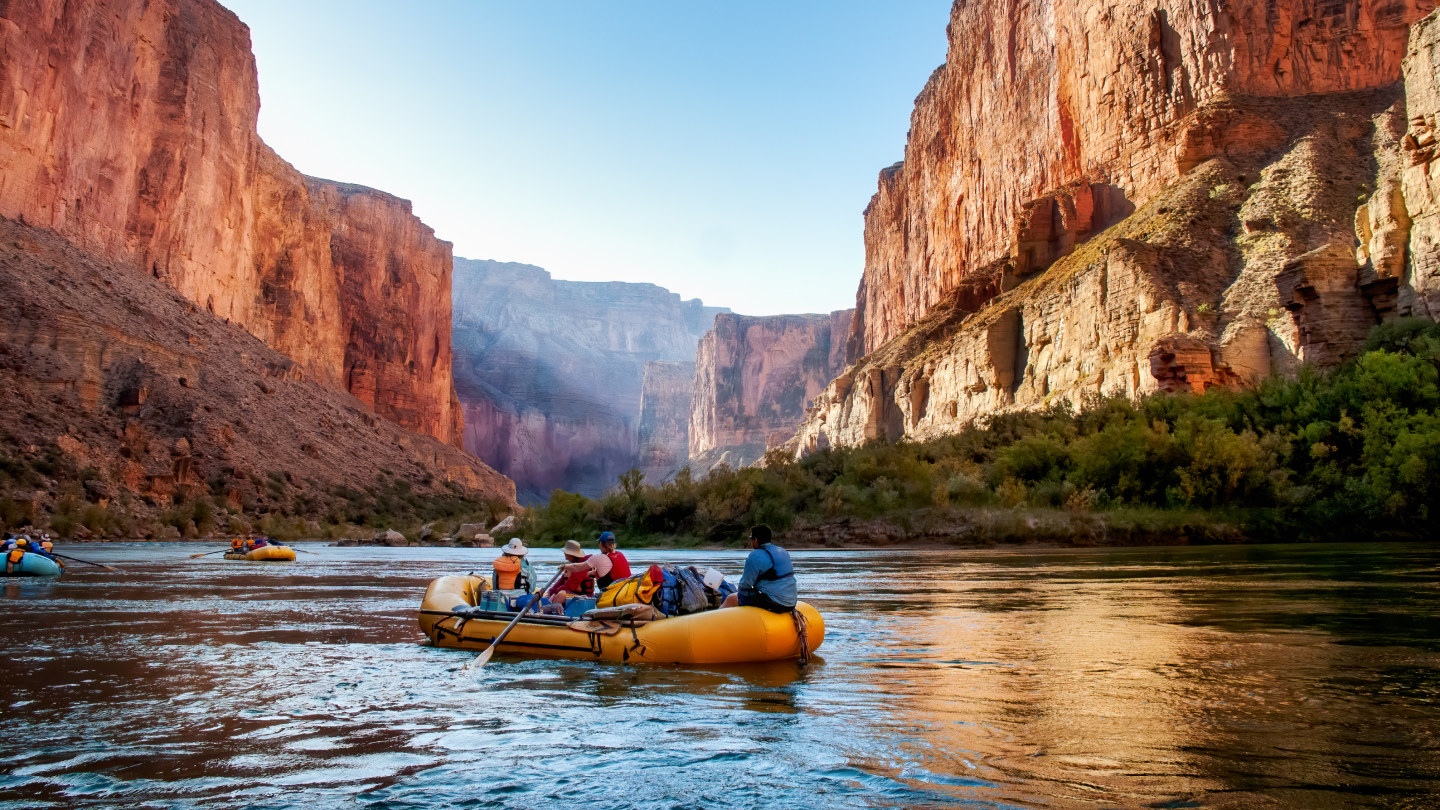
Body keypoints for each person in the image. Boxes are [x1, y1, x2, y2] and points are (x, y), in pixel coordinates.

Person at [721, 524, 796, 613]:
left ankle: (720, 621)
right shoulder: (783, 551)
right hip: (791, 603)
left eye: (751, 539)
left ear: (756, 540)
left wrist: (740, 596)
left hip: (775, 604)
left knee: (736, 597)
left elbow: (745, 585)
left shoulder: (755, 555)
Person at [547, 539, 611, 606]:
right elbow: (561, 581)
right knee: (552, 594)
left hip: (585, 597)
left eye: (566, 554)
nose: (565, 557)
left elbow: (570, 586)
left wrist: (554, 594)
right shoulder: (573, 565)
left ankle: (551, 611)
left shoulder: (582, 566)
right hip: (574, 594)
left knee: (561, 594)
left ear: (571, 554)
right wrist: (550, 592)